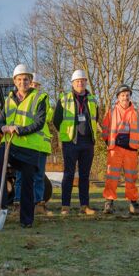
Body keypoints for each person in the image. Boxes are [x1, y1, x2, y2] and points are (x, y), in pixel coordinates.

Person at [0, 64, 49, 228]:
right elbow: (0, 121)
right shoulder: (9, 99)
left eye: (26, 79)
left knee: (27, 182)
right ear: (15, 81)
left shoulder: (40, 98)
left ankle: (26, 219)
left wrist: (20, 130)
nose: (22, 82)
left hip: (29, 147)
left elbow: (39, 123)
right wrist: (2, 127)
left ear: (30, 81)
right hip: (9, 144)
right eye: (19, 79)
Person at [53, 70, 98, 216]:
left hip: (87, 143)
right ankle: (65, 206)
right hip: (71, 142)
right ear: (72, 83)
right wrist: (66, 134)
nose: (80, 83)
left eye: (83, 80)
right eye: (77, 81)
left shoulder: (93, 100)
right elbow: (56, 120)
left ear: (86, 82)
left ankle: (84, 205)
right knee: (69, 174)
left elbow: (95, 118)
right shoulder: (64, 99)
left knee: (84, 176)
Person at [101, 85, 139, 216]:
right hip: (115, 149)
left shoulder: (137, 113)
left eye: (127, 95)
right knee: (112, 176)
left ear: (130, 96)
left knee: (131, 177)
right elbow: (105, 129)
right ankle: (109, 203)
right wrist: (108, 143)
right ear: (118, 98)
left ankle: (133, 204)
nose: (125, 97)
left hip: (131, 149)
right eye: (122, 95)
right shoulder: (111, 112)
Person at [13, 73, 50, 215]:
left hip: (38, 143)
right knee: (20, 176)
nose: (33, 86)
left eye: (35, 84)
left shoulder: (41, 99)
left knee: (38, 175)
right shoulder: (14, 100)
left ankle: (38, 204)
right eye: (20, 80)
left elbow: (45, 119)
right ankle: (18, 203)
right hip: (21, 143)